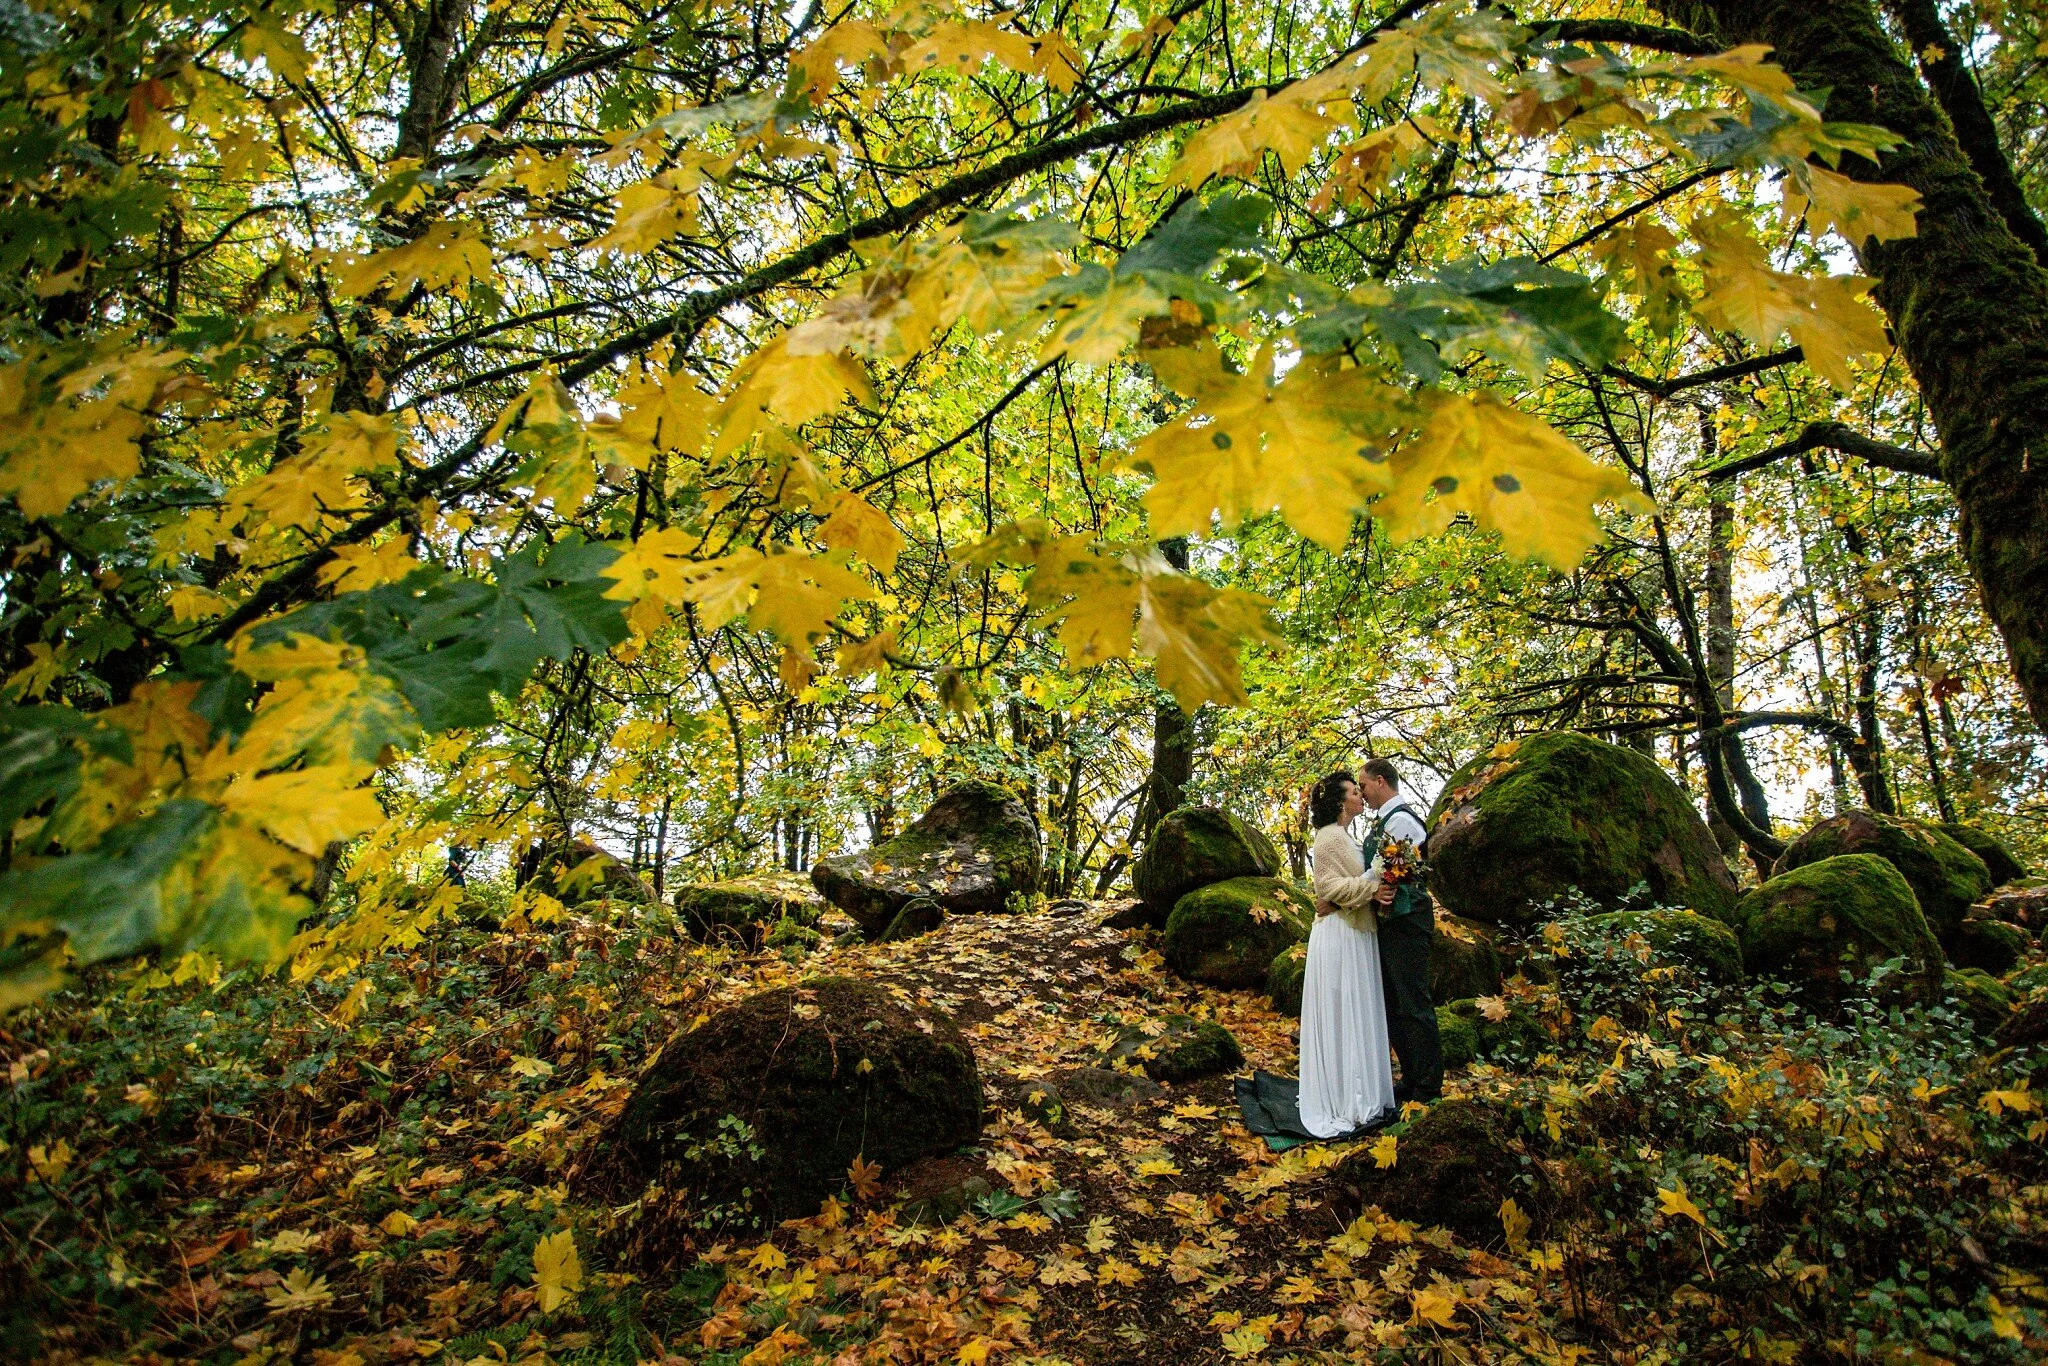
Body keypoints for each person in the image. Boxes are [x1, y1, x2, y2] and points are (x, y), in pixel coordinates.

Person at [1298, 770, 1398, 1138]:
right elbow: (1328, 886)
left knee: (1359, 1010)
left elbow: (1338, 890)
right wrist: (1370, 890)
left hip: (1354, 930)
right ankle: (1348, 1098)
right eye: (1355, 791)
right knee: (1346, 1011)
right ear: (1342, 803)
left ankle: (1362, 1092)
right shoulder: (1328, 837)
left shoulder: (1344, 836)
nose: (1361, 795)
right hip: (1340, 935)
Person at [1358, 757, 1444, 1104]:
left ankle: (1428, 1086)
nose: (1362, 794)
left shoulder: (1403, 820)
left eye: (1363, 785)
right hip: (1390, 922)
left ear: (1381, 781)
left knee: (1413, 1001)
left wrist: (1342, 893)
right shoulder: (1381, 823)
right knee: (1394, 1004)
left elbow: (1383, 871)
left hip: (1409, 921)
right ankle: (1410, 1077)